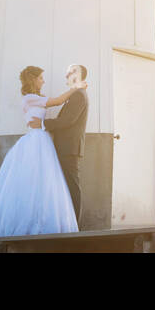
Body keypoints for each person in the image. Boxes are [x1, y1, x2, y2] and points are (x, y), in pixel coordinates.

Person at [0, 65, 86, 237]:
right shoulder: (29, 98)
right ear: (33, 80)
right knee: (33, 181)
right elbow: (57, 101)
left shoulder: (35, 97)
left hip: (44, 141)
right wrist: (75, 88)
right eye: (41, 78)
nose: (44, 81)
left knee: (44, 183)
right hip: (37, 140)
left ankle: (42, 220)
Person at [43, 63, 89, 226]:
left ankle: (74, 223)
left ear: (79, 76)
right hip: (68, 147)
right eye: (67, 72)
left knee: (72, 186)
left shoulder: (78, 95)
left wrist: (44, 123)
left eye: (71, 72)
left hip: (69, 148)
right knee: (69, 185)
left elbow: (68, 120)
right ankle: (69, 222)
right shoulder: (77, 94)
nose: (67, 75)